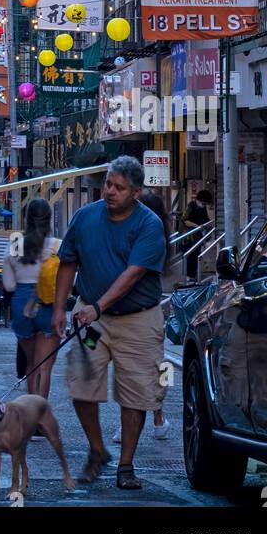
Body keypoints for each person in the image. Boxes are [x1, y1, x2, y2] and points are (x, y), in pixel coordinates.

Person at [52, 156, 167, 491]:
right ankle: (97, 448)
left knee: (138, 393)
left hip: (139, 320)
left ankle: (126, 464)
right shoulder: (85, 217)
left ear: (136, 192)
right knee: (81, 382)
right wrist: (60, 308)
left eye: (119, 187)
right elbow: (67, 263)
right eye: (108, 184)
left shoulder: (149, 225)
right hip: (92, 320)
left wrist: (98, 307)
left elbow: (133, 274)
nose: (110, 192)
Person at [110, 190, 171, 444]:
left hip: (135, 309)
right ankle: (158, 418)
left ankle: (141, 422)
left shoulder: (144, 236)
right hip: (150, 309)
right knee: (154, 365)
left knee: (136, 368)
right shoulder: (161, 236)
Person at [2, 198, 62, 399]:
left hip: (21, 303)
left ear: (26, 218)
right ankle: (41, 415)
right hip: (48, 303)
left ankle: (29, 412)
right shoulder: (56, 245)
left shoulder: (17, 241)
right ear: (49, 218)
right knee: (45, 366)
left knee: (31, 363)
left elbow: (9, 285)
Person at [181, 187, 213, 281]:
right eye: (203, 203)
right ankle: (189, 279)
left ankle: (193, 278)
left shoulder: (202, 208)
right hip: (188, 237)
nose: (204, 205)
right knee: (190, 257)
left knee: (196, 257)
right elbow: (185, 220)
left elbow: (205, 219)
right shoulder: (191, 206)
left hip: (198, 237)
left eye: (205, 204)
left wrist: (208, 226)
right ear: (198, 200)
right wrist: (198, 226)